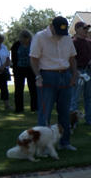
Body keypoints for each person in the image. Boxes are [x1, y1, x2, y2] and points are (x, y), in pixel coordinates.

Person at [30, 16, 78, 150]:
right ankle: (42, 146)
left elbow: (72, 57)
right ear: (51, 27)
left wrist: (74, 74)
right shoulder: (40, 37)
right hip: (47, 75)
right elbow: (33, 58)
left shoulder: (67, 38)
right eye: (58, 31)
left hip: (65, 75)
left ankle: (65, 142)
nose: (60, 35)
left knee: (64, 112)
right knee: (45, 113)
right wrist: (38, 76)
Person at [70, 21, 91, 126]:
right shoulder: (73, 42)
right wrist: (76, 71)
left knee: (89, 97)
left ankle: (89, 119)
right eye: (84, 28)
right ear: (77, 29)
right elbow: (71, 59)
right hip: (79, 72)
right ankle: (73, 122)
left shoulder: (89, 42)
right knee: (75, 98)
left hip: (90, 72)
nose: (86, 30)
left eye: (87, 28)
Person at [10, 30, 38, 113]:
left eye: (26, 38)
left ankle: (34, 107)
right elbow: (13, 57)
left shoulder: (33, 45)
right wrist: (14, 68)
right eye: (22, 38)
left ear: (29, 38)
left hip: (31, 69)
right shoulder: (16, 45)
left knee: (33, 89)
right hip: (19, 69)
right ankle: (19, 108)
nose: (24, 40)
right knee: (18, 89)